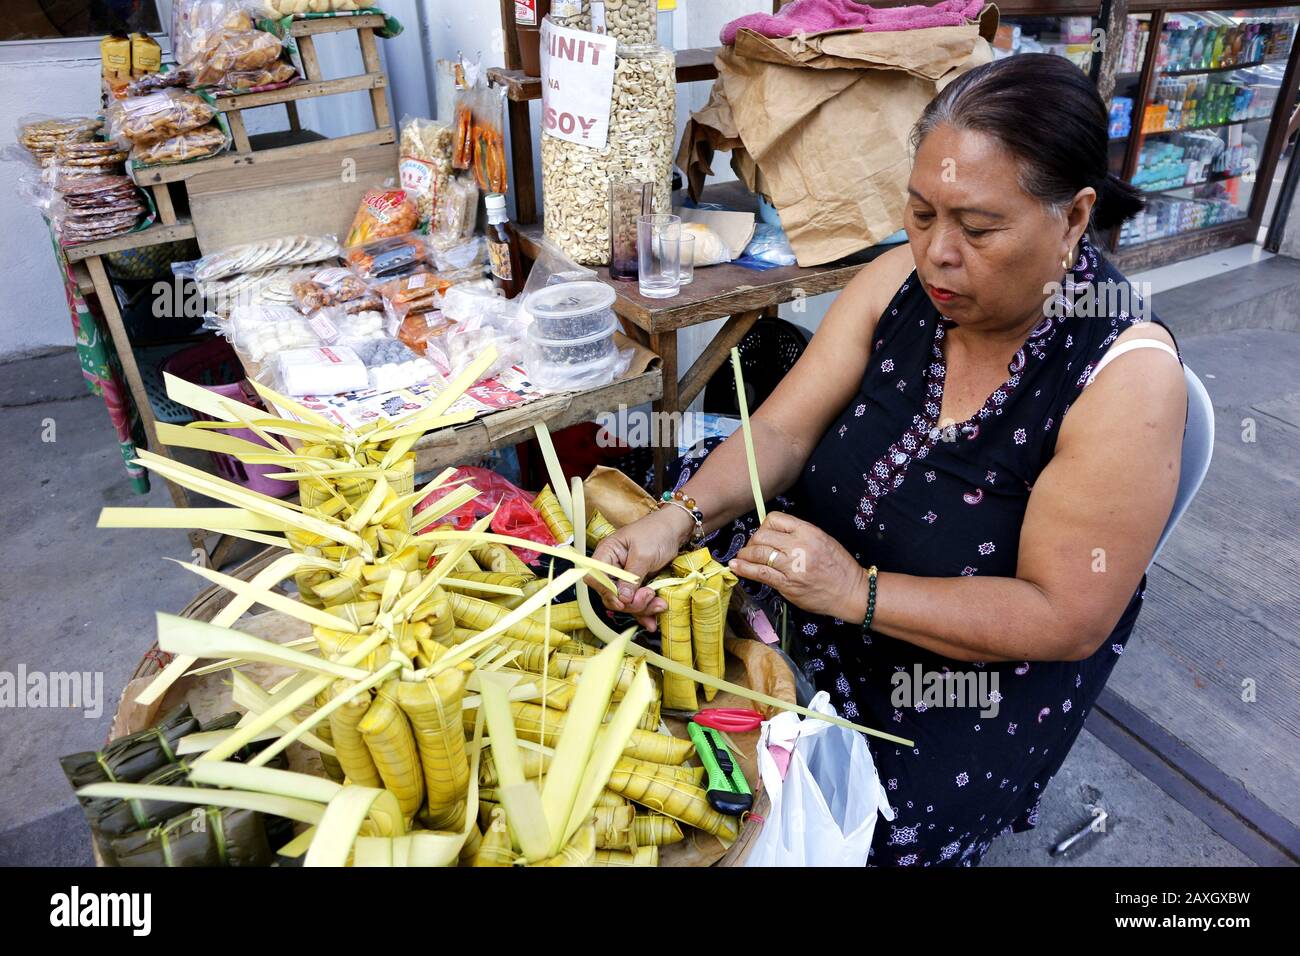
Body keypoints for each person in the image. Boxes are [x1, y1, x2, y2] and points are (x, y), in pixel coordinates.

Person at [591, 53, 1187, 867]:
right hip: (810, 588)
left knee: (840, 823)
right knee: (642, 653)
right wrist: (678, 518)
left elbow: (1064, 616)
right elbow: (783, 432)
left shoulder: (1125, 379)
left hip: (960, 685)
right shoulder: (898, 282)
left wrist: (857, 593)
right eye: (920, 213)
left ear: (1074, 217)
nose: (938, 252)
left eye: (978, 228)